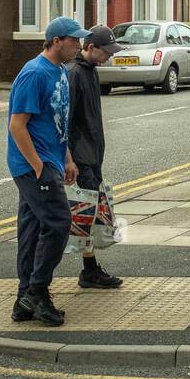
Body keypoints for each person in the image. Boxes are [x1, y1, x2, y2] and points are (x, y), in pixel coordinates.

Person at [6, 16, 90, 326]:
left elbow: (55, 124)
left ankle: (23, 300)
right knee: (59, 223)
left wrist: (66, 157)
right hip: (32, 167)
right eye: (74, 41)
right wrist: (39, 167)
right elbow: (18, 125)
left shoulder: (60, 72)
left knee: (30, 230)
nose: (78, 46)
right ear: (56, 41)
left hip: (51, 161)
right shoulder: (34, 73)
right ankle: (38, 291)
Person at [67, 25, 125, 288]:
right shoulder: (75, 75)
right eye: (106, 52)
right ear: (90, 48)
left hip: (92, 155)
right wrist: (71, 159)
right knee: (85, 215)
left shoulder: (89, 72)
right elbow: (67, 122)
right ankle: (88, 271)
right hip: (81, 157)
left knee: (90, 214)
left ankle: (89, 269)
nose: (109, 57)